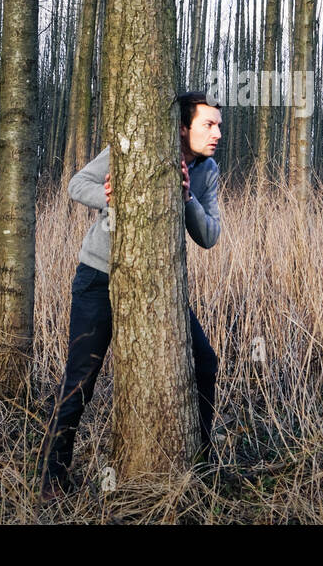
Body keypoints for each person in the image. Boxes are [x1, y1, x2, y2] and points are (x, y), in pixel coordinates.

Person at [39, 91, 224, 497]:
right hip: (99, 277)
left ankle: (200, 463)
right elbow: (77, 184)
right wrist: (109, 195)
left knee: (205, 363)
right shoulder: (134, 143)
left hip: (160, 284)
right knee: (81, 378)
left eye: (219, 125)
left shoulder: (207, 170)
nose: (217, 134)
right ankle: (51, 478)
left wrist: (187, 195)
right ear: (182, 127)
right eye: (208, 125)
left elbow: (209, 235)